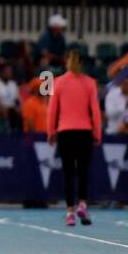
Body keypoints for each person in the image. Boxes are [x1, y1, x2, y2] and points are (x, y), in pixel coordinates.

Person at [47, 49, 102, 226]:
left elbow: (52, 110)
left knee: (68, 173)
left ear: (66, 62)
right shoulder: (90, 83)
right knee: (83, 172)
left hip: (65, 132)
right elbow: (95, 111)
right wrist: (97, 133)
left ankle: (70, 212)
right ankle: (83, 205)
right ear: (83, 63)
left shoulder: (58, 82)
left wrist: (50, 131)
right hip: (84, 131)